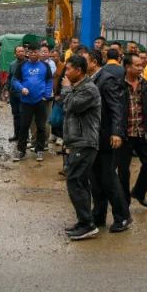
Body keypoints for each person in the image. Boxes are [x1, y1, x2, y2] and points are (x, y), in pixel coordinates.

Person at [90, 48, 131, 232]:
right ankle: (98, 215)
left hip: (107, 137)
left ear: (93, 62)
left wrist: (116, 132)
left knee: (108, 179)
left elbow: (117, 108)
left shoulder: (106, 80)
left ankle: (123, 216)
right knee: (96, 179)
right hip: (95, 138)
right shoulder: (92, 79)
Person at [61, 54, 102, 241]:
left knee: (74, 180)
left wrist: (67, 90)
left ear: (78, 70)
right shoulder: (79, 87)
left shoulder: (89, 89)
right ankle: (84, 221)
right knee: (81, 182)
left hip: (85, 142)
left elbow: (73, 106)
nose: (66, 72)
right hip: (77, 141)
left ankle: (88, 224)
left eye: (68, 69)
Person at [116, 52, 147, 209]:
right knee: (123, 172)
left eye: (142, 65)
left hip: (142, 132)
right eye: (137, 65)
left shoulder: (145, 84)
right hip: (124, 135)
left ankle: (139, 192)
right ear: (127, 67)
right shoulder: (118, 84)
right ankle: (124, 204)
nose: (141, 67)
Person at [12, 45, 53, 162]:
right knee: (24, 126)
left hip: (40, 101)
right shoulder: (22, 65)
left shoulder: (45, 66)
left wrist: (46, 94)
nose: (33, 54)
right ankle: (21, 151)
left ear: (39, 53)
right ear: (27, 53)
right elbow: (14, 80)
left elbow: (49, 80)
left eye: (35, 52)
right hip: (26, 101)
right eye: (31, 52)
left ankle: (39, 150)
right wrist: (21, 88)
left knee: (41, 126)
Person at [6, 44, 27, 143]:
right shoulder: (12, 64)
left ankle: (24, 137)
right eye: (18, 51)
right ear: (15, 54)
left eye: (22, 51)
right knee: (15, 115)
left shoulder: (28, 64)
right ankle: (16, 135)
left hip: (24, 94)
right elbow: (9, 78)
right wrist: (7, 90)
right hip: (13, 94)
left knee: (24, 115)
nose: (21, 53)